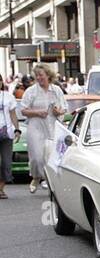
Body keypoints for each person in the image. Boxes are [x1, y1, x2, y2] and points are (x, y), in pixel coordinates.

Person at [19, 63, 65, 193]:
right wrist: (37, 112)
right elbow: (23, 110)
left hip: (52, 126)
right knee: (36, 157)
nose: (39, 78)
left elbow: (63, 108)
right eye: (36, 75)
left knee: (50, 156)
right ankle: (36, 176)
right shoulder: (31, 91)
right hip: (36, 126)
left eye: (41, 75)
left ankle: (47, 180)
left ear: (48, 75)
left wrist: (58, 111)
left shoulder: (56, 90)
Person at [0, 80, 19, 199]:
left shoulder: (8, 97)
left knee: (6, 162)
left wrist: (17, 129)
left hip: (7, 133)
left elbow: (13, 114)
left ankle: (1, 188)